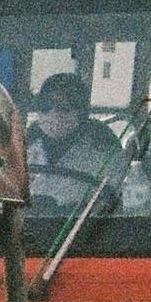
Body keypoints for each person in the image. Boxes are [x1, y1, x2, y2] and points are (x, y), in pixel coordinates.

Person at [25, 70, 133, 224]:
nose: (53, 114)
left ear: (81, 112)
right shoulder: (23, 150)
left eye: (64, 108)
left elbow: (118, 205)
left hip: (84, 238)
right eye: (46, 107)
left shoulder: (104, 154)